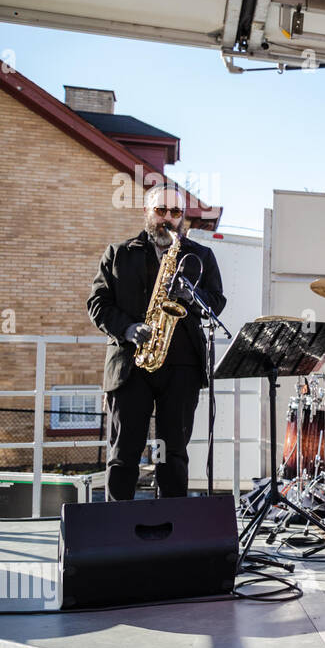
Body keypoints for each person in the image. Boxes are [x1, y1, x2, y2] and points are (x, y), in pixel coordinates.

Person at [87, 185, 226, 501]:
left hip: (182, 366)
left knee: (174, 454)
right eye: (161, 210)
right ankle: (117, 531)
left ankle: (172, 531)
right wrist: (128, 328)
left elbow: (216, 302)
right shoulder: (118, 253)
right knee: (123, 453)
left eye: (175, 212)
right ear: (146, 213)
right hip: (129, 364)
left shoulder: (200, 256)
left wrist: (190, 295)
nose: (168, 218)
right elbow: (98, 303)